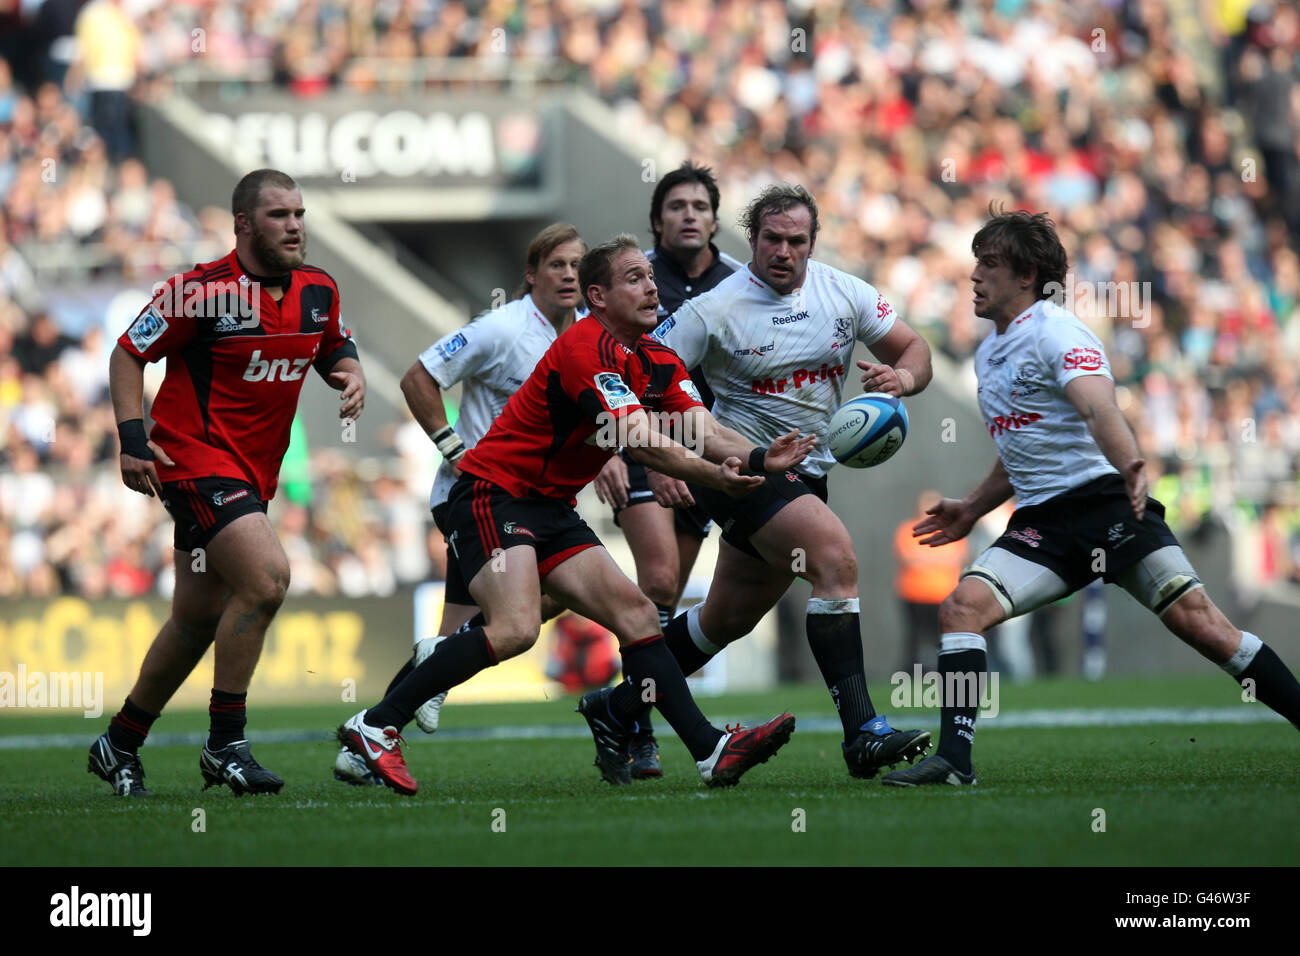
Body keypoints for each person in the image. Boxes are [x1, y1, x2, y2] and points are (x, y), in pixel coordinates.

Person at [336, 234, 815, 793]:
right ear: (599, 296)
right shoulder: (586, 346)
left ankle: (710, 751)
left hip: (550, 507)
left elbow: (702, 428)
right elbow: (638, 441)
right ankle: (375, 724)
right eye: (633, 278)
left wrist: (757, 456)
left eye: (650, 276)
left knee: (638, 614)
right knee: (515, 629)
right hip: (494, 494)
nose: (650, 285)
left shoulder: (654, 356)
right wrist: (716, 477)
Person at [885, 207, 1300, 786]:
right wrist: (973, 507)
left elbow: (1097, 406)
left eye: (990, 264)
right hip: (1043, 526)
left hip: (1107, 504)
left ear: (1027, 275)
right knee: (961, 610)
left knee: (1203, 625)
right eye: (975, 263)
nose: (975, 276)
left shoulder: (1057, 331)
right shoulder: (987, 352)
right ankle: (955, 761)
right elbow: (1020, 449)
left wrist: (1129, 459)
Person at [597, 183, 935, 780]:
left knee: (725, 619)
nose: (784, 251)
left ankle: (616, 704)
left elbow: (914, 349)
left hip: (808, 477)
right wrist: (656, 458)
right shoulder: (713, 309)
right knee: (836, 561)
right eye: (772, 239)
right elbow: (639, 380)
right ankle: (862, 732)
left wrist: (901, 381)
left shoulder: (845, 293)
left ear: (812, 242)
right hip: (742, 473)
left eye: (796, 240)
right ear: (752, 240)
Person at [88, 168, 365, 796]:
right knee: (268, 578)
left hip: (254, 472)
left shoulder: (319, 289)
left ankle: (119, 742)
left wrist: (351, 373)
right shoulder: (199, 292)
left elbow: (332, 345)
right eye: (278, 215)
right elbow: (128, 352)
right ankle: (226, 743)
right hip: (193, 460)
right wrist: (133, 439)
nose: (294, 225)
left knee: (194, 619)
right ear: (243, 224)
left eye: (298, 213)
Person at [333, 222, 585, 786]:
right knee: (535, 606)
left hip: (525, 503)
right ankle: (402, 699)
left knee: (475, 630)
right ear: (530, 273)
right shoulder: (501, 328)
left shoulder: (583, 334)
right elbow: (419, 376)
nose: (568, 275)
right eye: (556, 265)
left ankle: (370, 736)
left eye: (576, 265)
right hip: (476, 498)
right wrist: (454, 448)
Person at [591, 161, 742, 778]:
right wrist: (609, 451)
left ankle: (621, 713)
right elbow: (588, 367)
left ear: (713, 218)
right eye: (675, 206)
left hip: (708, 450)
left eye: (699, 207)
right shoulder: (635, 281)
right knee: (655, 584)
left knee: (665, 602)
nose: (688, 215)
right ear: (657, 220)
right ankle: (644, 735)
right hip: (639, 448)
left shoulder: (739, 283)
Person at [894, 489, 966, 671]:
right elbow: (910, 559)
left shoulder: (952, 529)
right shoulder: (908, 529)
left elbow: (956, 559)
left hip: (944, 593)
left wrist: (925, 559)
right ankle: (911, 672)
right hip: (914, 594)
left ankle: (944, 670)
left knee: (943, 636)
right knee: (915, 637)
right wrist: (937, 560)